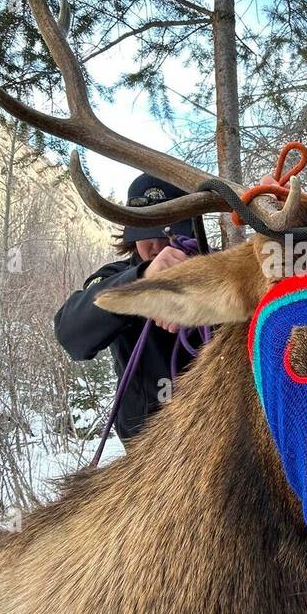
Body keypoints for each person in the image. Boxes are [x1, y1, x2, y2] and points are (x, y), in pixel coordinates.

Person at [54, 173, 205, 443]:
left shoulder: (215, 271)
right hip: (146, 445)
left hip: (215, 433)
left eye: (167, 234)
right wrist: (141, 282)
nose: (157, 246)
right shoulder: (114, 276)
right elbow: (70, 334)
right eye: (147, 234)